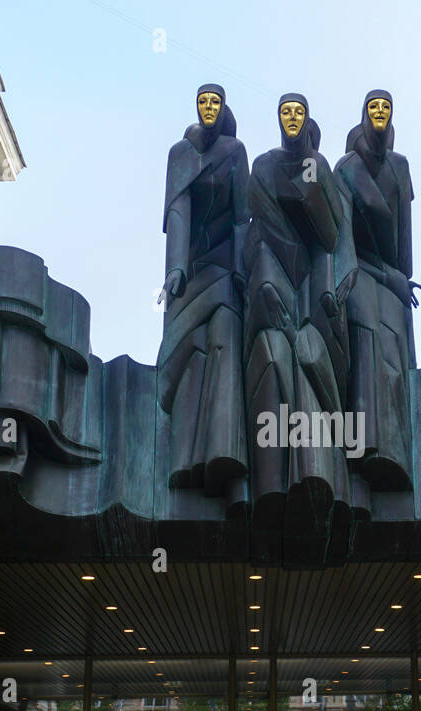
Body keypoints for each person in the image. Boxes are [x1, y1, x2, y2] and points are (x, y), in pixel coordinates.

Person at [243, 93, 358, 533]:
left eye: (299, 113)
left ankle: (322, 473)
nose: (292, 119)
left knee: (311, 352)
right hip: (274, 273)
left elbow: (331, 234)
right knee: (275, 350)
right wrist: (270, 284)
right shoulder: (263, 165)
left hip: (314, 280)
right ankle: (279, 481)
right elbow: (261, 229)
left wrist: (324, 293)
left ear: (308, 122)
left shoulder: (320, 168)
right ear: (279, 120)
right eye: (285, 113)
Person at [158, 83, 249, 496]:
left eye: (215, 102)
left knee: (224, 345)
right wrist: (175, 268)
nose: (209, 107)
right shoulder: (181, 154)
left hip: (225, 269)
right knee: (188, 352)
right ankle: (184, 462)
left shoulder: (235, 152)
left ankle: (224, 453)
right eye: (203, 102)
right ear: (197, 108)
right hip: (189, 272)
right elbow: (178, 209)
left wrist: (242, 271)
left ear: (223, 108)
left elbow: (242, 218)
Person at [334, 90, 420, 491]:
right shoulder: (345, 169)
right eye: (374, 107)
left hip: (393, 278)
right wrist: (355, 274)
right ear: (364, 116)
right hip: (359, 272)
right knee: (368, 334)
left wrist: (405, 281)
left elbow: (405, 234)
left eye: (386, 107)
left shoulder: (401, 167)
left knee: (394, 348)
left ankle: (397, 449)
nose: (380, 112)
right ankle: (364, 445)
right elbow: (341, 239)